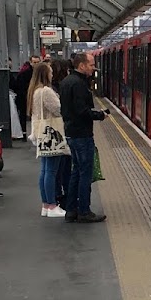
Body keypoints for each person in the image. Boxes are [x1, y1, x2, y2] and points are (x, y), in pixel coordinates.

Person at [59, 52, 107, 223]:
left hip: (71, 132)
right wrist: (99, 115)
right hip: (82, 134)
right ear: (81, 65)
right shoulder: (79, 84)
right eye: (91, 64)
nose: (93, 68)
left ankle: (71, 210)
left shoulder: (66, 82)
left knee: (76, 172)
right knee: (85, 173)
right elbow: (81, 111)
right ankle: (84, 211)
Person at [27, 63, 68, 218]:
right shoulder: (46, 91)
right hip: (51, 134)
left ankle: (46, 204)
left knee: (45, 170)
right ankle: (51, 205)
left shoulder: (35, 91)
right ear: (45, 74)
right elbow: (58, 110)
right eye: (50, 72)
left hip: (41, 133)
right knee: (51, 171)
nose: (52, 75)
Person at [50, 58, 73, 211]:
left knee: (57, 168)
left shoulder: (52, 87)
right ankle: (60, 198)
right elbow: (61, 110)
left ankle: (59, 196)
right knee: (60, 168)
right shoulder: (54, 89)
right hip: (60, 131)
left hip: (56, 132)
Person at [12, 55, 40, 139]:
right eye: (34, 62)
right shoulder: (26, 73)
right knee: (24, 115)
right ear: (30, 62)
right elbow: (20, 86)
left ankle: (31, 133)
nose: (36, 64)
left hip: (31, 96)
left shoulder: (31, 72)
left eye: (38, 62)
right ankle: (24, 132)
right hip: (24, 97)